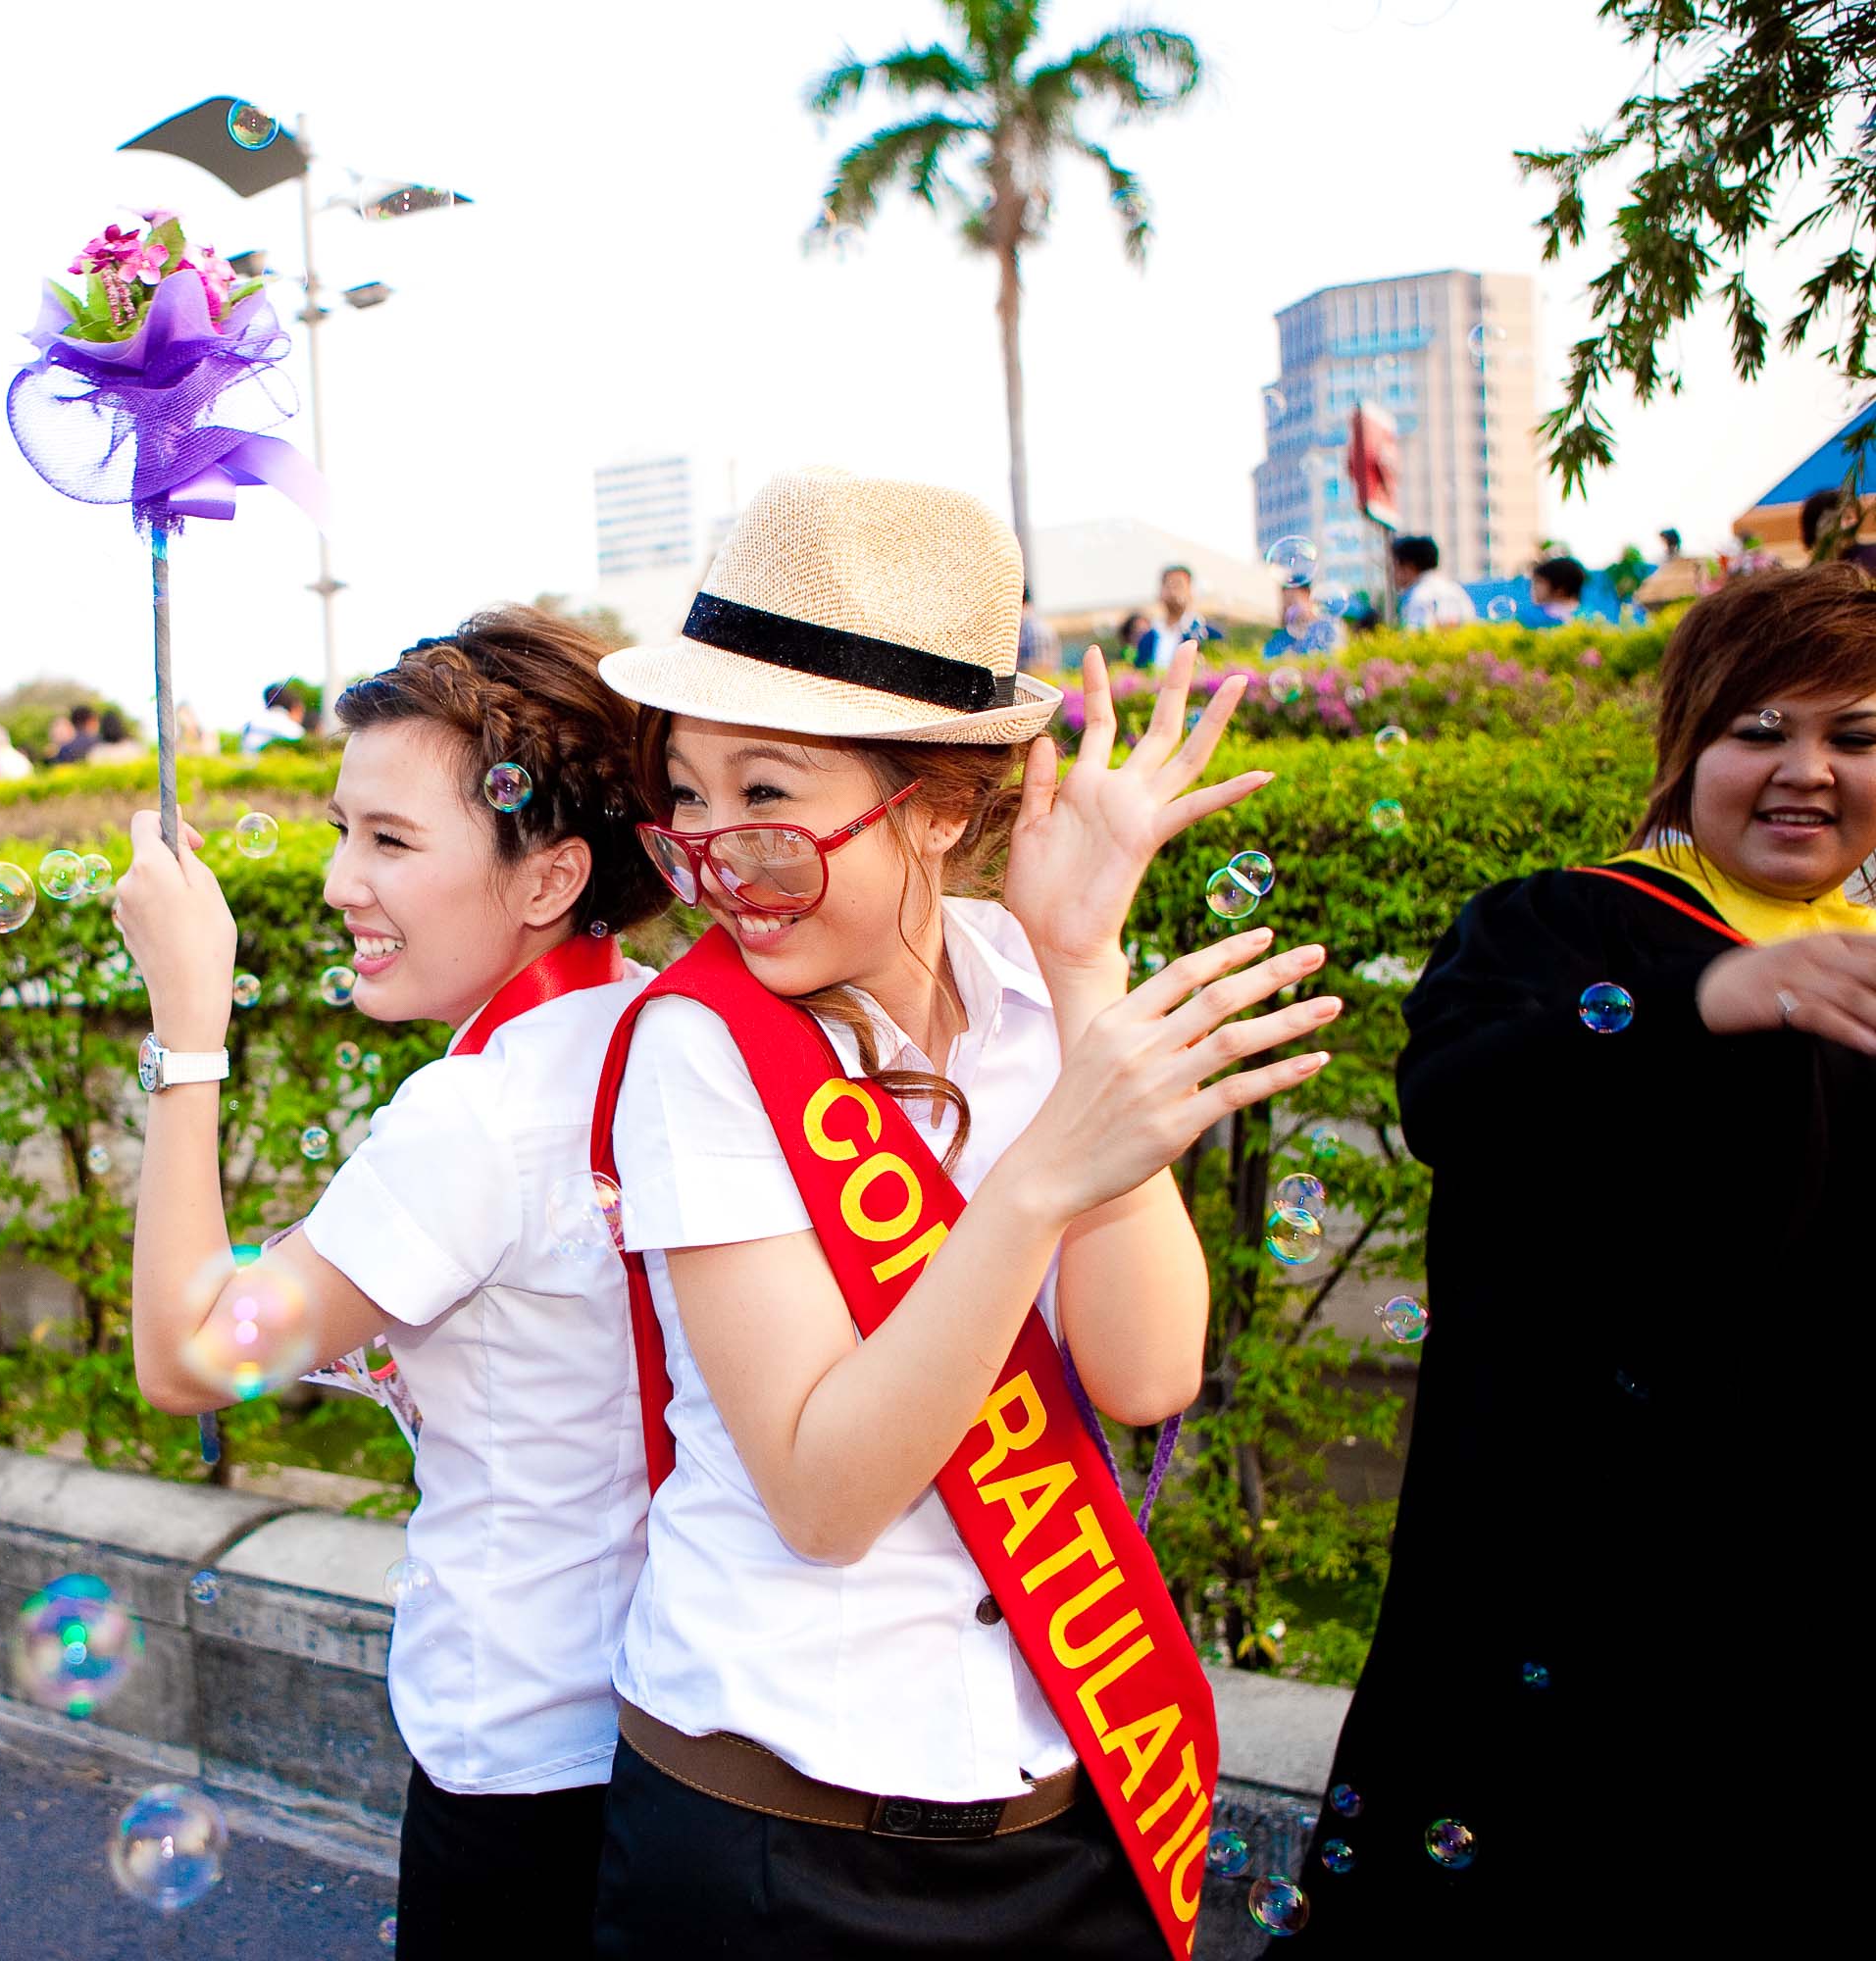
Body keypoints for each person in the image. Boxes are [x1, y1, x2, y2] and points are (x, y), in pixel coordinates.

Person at [585, 471, 1329, 1957]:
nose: (715, 856)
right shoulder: (702, 1045)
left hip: (1062, 1819)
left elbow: (1146, 1374)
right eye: (688, 797)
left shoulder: (1026, 983)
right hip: (778, 1848)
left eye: (770, 798)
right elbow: (824, 1491)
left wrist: (1083, 970)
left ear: (929, 807)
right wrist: (1047, 1170)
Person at [1289, 564, 1876, 1953]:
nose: (1807, 773)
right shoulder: (1556, 927)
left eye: (1855, 737)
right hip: (1560, 1585)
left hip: (1806, 1598)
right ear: (1686, 751)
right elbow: (1456, 1098)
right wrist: (1706, 1001)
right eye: (1758, 730)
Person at [115, 608, 676, 1958]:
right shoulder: (668, 1024)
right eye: (341, 827)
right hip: (678, 1741)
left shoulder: (473, 1116)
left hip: (523, 1764)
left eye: (390, 839)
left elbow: (187, 1360)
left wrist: (189, 1032)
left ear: (547, 879)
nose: (335, 880)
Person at [1128, 563, 1213, 672]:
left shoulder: (1206, 633)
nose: (1173, 591)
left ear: (1191, 592)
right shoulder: (1148, 637)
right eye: (1168, 585)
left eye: (1179, 585)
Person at [1390, 534, 1474, 630]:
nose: (1393, 573)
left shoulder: (1418, 596)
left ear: (1409, 566)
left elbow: (1414, 638)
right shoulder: (1457, 591)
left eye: (1395, 565)